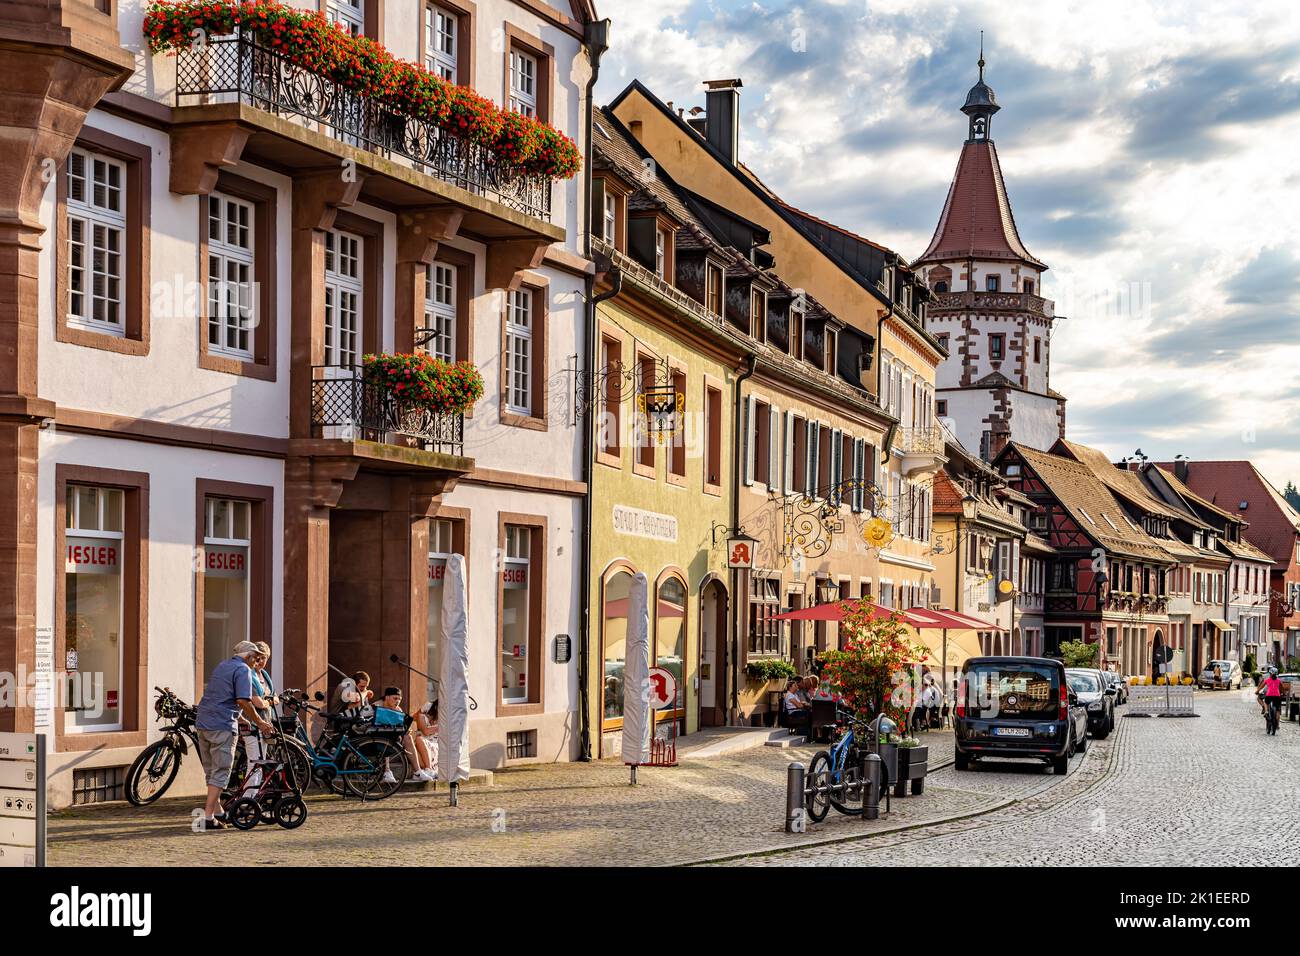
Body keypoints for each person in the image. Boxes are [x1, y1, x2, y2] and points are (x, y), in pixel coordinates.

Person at [195, 641, 273, 830]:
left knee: (211, 770)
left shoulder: (223, 666)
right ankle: (207, 817)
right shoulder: (243, 670)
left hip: (203, 723)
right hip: (222, 725)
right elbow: (243, 700)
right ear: (247, 656)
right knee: (221, 771)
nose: (257, 661)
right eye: (255, 657)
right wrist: (260, 722)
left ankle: (219, 811)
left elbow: (222, 696)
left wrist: (240, 718)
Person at [1258, 667, 1283, 734]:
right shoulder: (1278, 680)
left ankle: (1266, 711)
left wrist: (1257, 691)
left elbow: (1261, 686)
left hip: (1269, 695)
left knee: (1266, 703)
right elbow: (1282, 688)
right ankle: (1277, 723)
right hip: (1277, 696)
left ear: (1270, 674)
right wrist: (1283, 692)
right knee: (1277, 710)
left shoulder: (1268, 680)